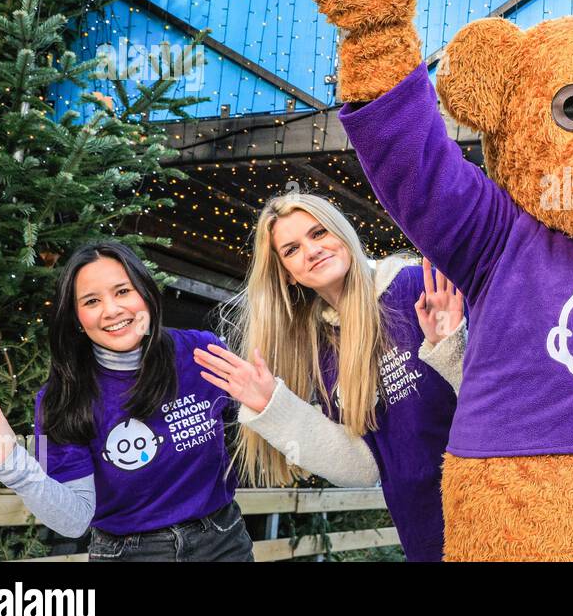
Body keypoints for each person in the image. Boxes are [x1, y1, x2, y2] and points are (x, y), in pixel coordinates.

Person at [194, 193, 465, 561]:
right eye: (291, 249)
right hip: (428, 532)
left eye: (319, 233)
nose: (311, 250)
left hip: (497, 502)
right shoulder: (318, 348)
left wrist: (451, 344)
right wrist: (273, 407)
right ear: (287, 275)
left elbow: (504, 402)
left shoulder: (418, 286)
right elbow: (364, 466)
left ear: (341, 231)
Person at [0, 241, 254, 561]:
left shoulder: (201, 353)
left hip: (222, 541)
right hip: (129, 553)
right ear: (77, 318)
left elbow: (256, 425)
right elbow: (76, 519)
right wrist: (12, 463)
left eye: (122, 291)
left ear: (146, 293)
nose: (111, 310)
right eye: (92, 300)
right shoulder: (62, 398)